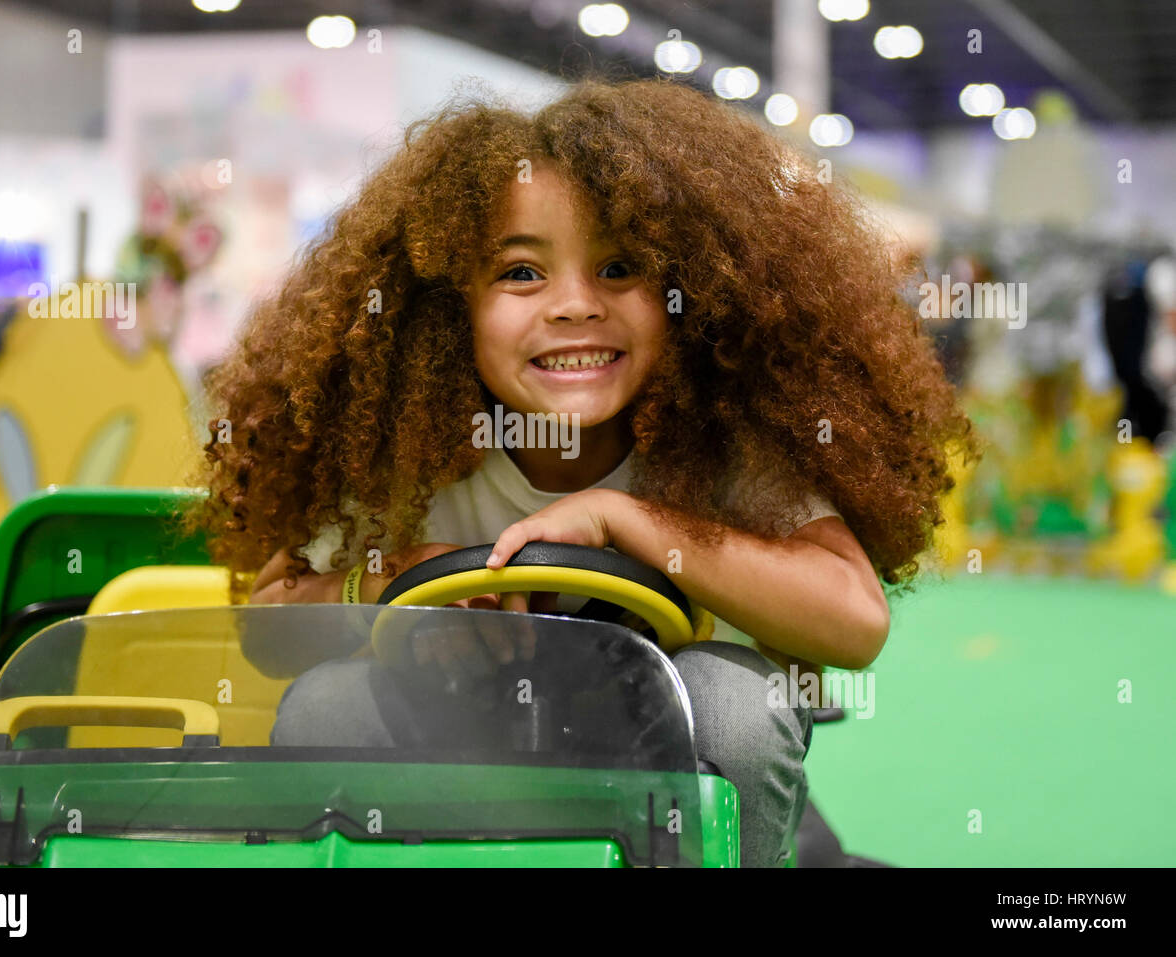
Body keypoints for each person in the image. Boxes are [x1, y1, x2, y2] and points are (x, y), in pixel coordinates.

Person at [187, 75, 978, 866]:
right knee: (328, 703)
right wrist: (389, 584)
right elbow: (270, 625)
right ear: (445, 305)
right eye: (522, 273)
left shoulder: (718, 444)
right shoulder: (411, 457)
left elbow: (855, 619)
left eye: (620, 268)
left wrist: (630, 523)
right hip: (468, 737)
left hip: (663, 746)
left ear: (688, 291)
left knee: (739, 704)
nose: (573, 305)